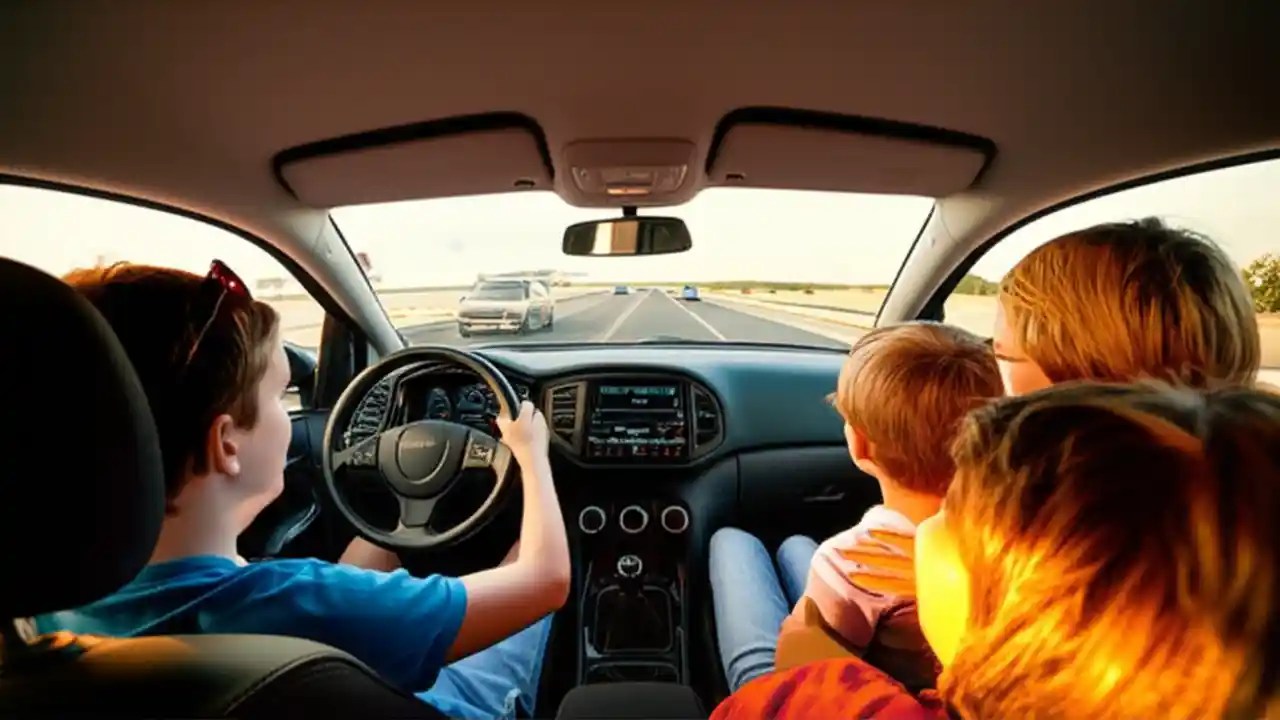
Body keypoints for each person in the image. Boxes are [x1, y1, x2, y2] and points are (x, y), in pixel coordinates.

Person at [34, 261, 571, 720]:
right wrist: (530, 456)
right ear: (226, 444)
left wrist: (391, 511)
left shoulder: (41, 617)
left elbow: (342, 593)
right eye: (280, 394)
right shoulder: (295, 602)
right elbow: (545, 581)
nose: (288, 413)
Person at [711, 381, 1280, 719]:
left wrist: (818, 678)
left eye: (953, 509)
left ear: (1032, 625)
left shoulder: (825, 700)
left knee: (733, 547)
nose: (929, 524)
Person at [708, 322, 1003, 691]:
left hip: (851, 695)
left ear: (861, 446)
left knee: (732, 544)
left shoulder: (851, 562)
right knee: (796, 546)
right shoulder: (1020, 545)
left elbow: (810, 662)